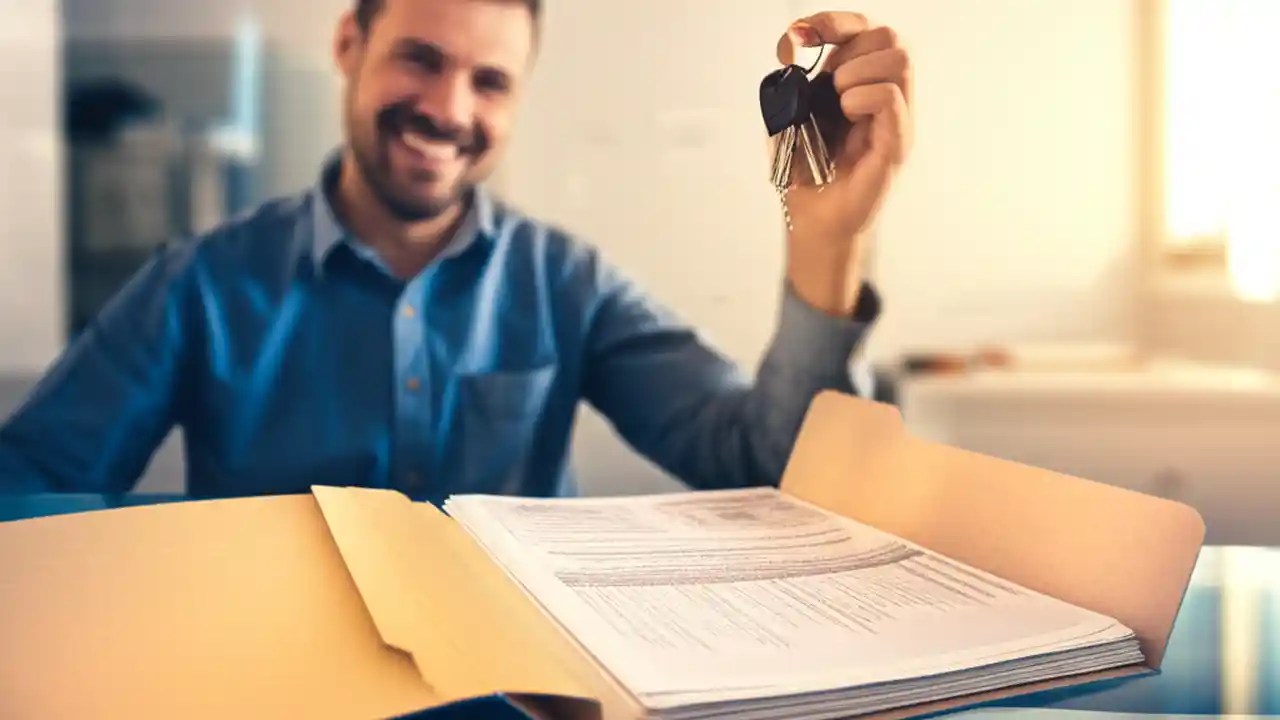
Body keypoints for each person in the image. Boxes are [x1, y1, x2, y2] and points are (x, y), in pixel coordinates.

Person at [0, 0, 912, 502]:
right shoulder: (198, 284)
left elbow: (768, 468)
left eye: (490, 81)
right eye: (421, 59)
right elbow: (30, 487)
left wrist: (828, 242)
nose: (448, 110)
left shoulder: (567, 283)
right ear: (350, 43)